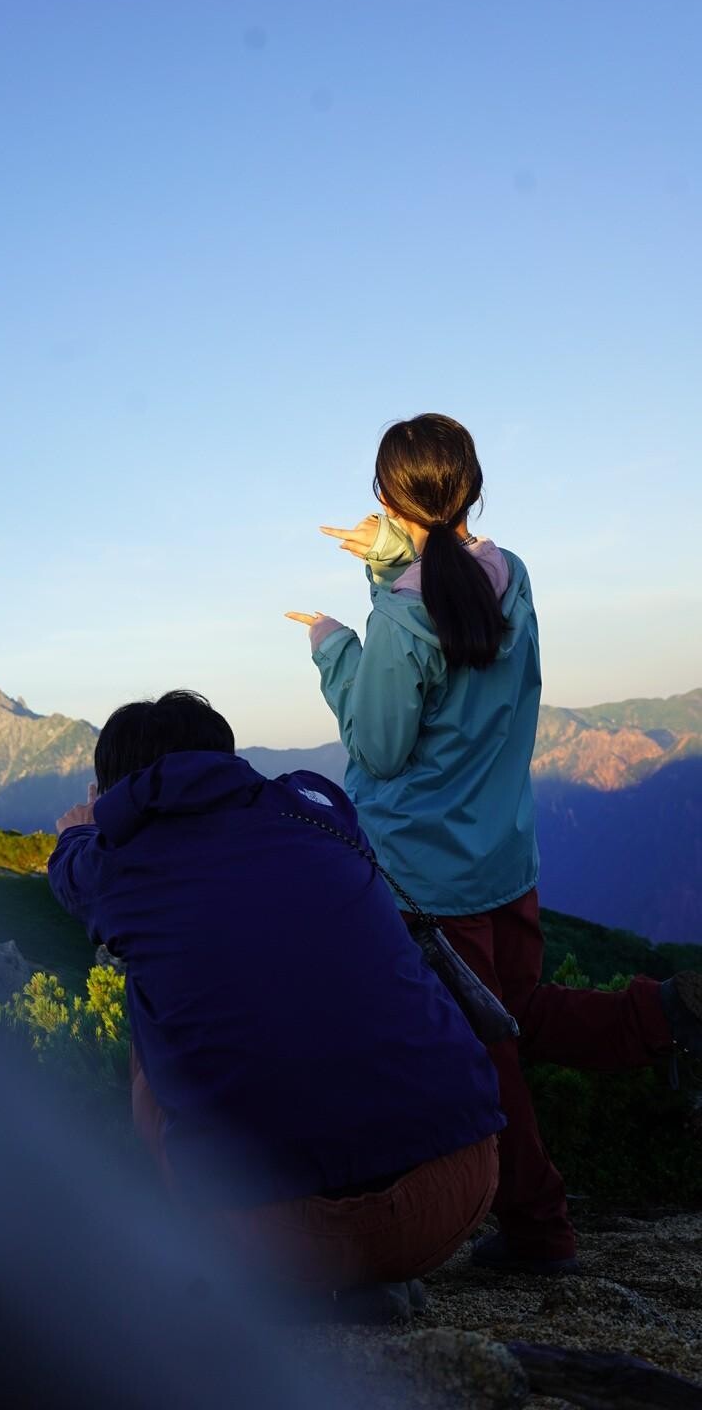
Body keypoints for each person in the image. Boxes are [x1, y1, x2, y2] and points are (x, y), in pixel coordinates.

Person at [287, 411, 702, 1274]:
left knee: (486, 1056)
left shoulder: (403, 620)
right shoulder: (511, 575)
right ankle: (660, 1016)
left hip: (424, 882)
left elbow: (377, 744)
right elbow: (447, 612)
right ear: (473, 487)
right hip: (506, 862)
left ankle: (539, 1232)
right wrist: (390, 565)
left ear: (385, 498)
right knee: (520, 1014)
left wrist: (333, 647)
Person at [48, 689, 505, 1313]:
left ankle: (286, 1283)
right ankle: (364, 1275)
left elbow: (70, 875)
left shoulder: (121, 867)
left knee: (147, 996)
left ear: (116, 789)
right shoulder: (314, 808)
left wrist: (84, 829)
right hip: (458, 1184)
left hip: (279, 1233)